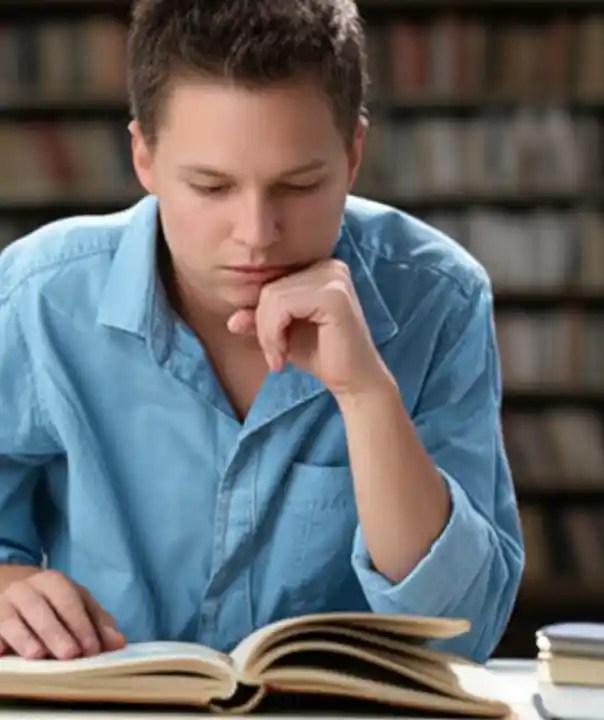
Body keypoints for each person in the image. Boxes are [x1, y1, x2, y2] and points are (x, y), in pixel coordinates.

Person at [0, 0, 523, 662]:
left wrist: (366, 395)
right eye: (211, 188)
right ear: (144, 157)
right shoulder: (37, 298)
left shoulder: (439, 300)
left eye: (299, 186)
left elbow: (466, 632)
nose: (256, 235)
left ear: (354, 153)